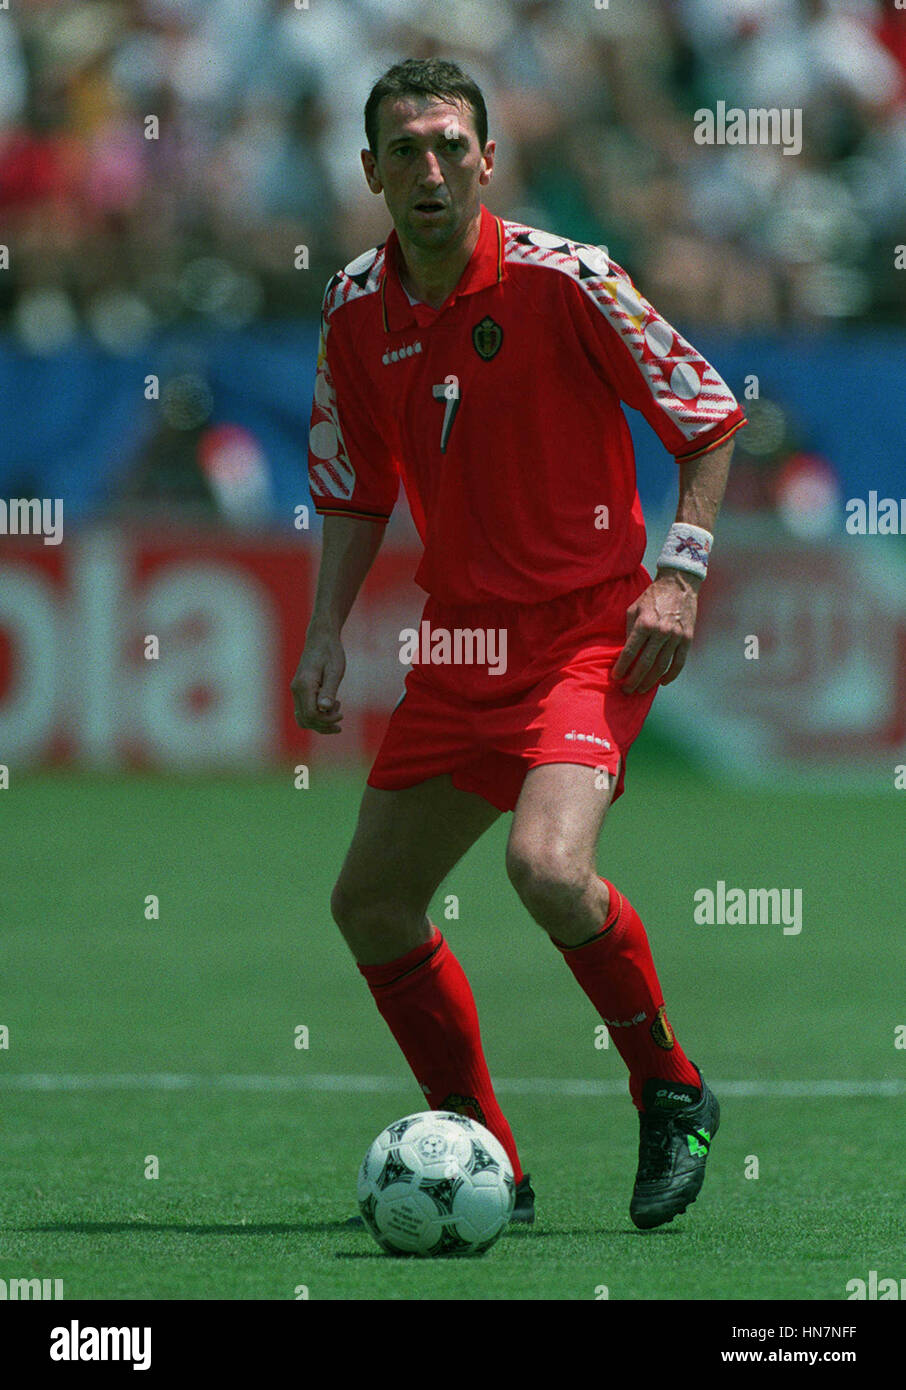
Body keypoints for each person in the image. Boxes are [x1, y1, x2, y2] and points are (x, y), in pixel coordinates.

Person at [293, 58, 746, 1230]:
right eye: (407, 150)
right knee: (372, 906)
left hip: (585, 637)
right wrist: (325, 632)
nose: (430, 169)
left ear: (489, 160)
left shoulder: (569, 278)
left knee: (545, 867)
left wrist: (679, 578)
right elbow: (354, 486)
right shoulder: (353, 306)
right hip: (459, 650)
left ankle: (670, 1088)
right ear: (372, 172)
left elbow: (705, 415)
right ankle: (477, 1144)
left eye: (451, 146)